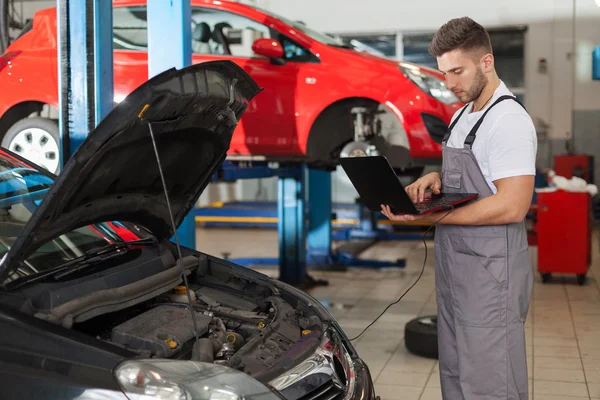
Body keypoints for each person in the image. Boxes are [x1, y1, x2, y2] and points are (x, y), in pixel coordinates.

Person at [380, 17, 536, 400]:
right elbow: (475, 173)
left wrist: (431, 216)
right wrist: (437, 178)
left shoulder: (509, 120)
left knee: (489, 379)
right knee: (456, 370)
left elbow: (513, 205)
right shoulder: (462, 115)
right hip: (457, 268)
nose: (449, 83)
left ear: (486, 62)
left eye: (456, 71)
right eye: (443, 73)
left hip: (490, 273)